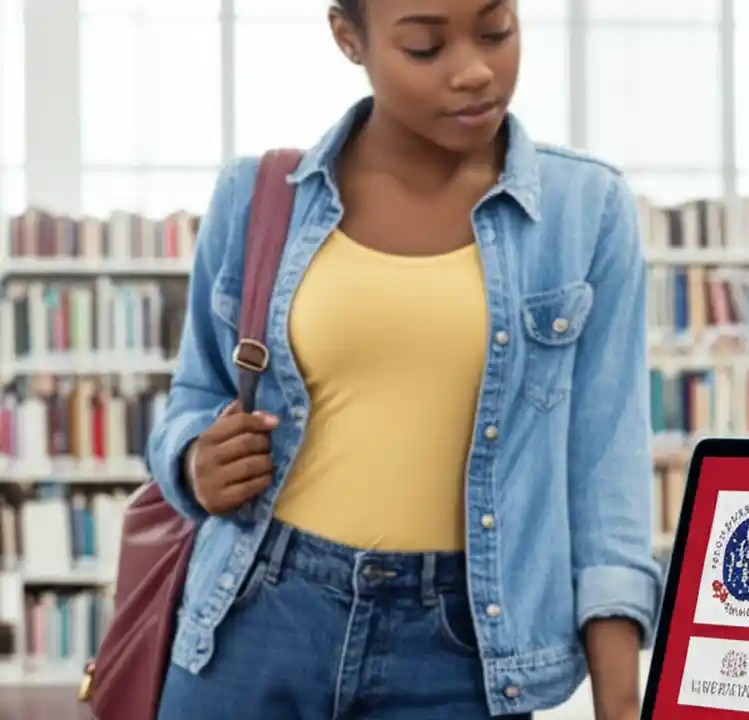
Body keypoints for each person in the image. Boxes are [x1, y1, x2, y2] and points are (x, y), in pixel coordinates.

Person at [149, 0, 660, 717]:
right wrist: (192, 461)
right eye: (425, 46)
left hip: (464, 647)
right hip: (253, 614)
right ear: (348, 38)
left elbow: (607, 483)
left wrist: (619, 702)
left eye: (496, 31)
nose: (475, 71)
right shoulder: (256, 198)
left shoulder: (587, 210)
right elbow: (194, 398)